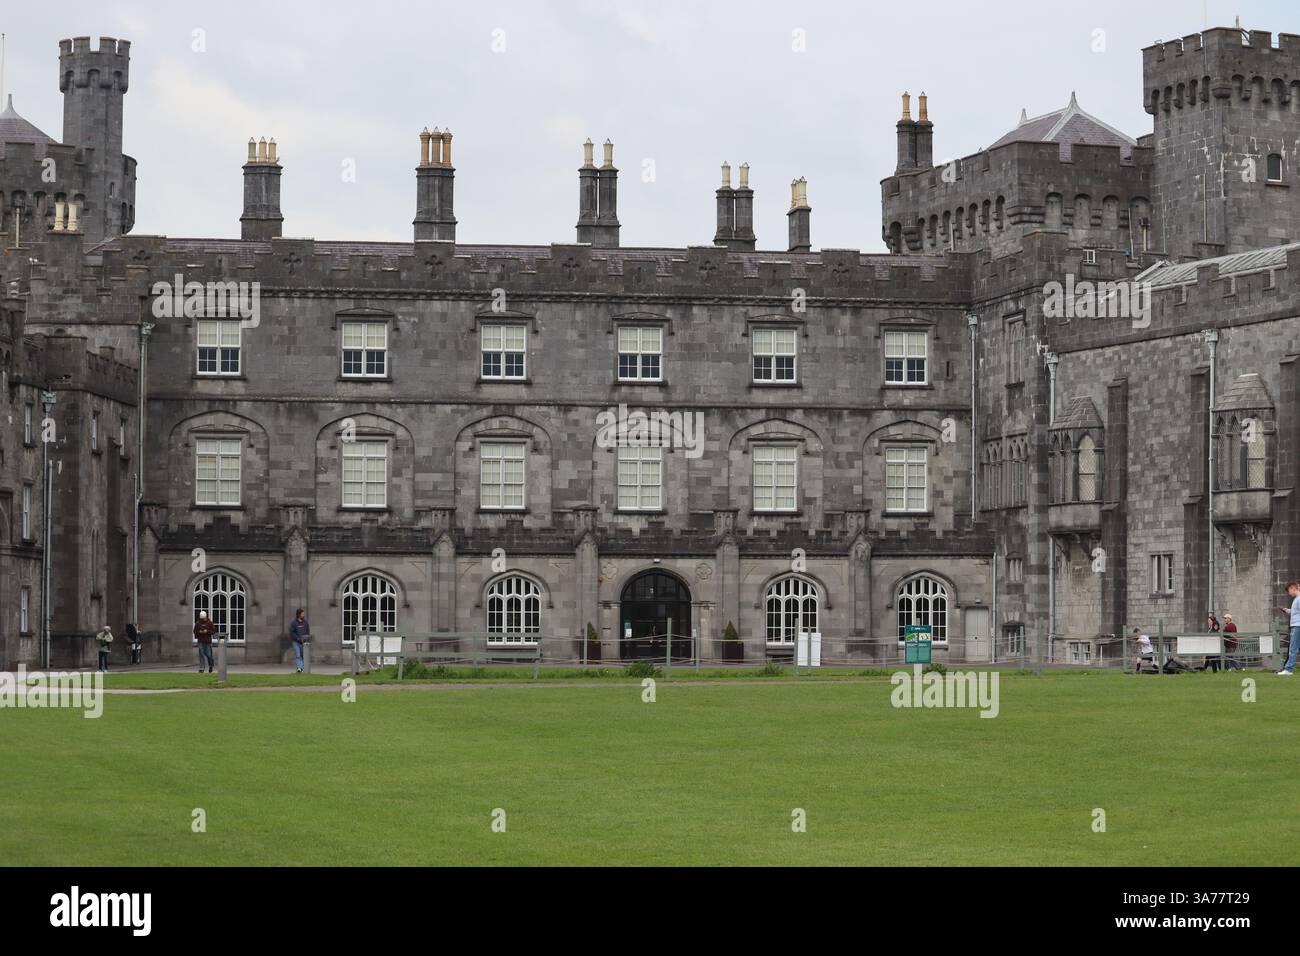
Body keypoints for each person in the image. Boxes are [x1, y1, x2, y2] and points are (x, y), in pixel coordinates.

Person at [1277, 581, 1300, 676]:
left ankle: (1288, 669)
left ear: (1293, 588)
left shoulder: (1298, 599)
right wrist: (1287, 610)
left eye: (1289, 591)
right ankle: (1288, 668)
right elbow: (1295, 612)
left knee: (1293, 648)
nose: (1289, 593)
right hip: (1297, 625)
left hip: (1297, 626)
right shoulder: (1296, 600)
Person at [289, 608, 310, 673]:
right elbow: (292, 633)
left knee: (303, 656)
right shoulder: (293, 623)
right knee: (298, 655)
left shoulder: (306, 622)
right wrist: (297, 638)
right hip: (296, 642)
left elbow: (307, 631)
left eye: (303, 614)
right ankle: (299, 668)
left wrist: (306, 639)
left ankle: (302, 668)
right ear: (298, 614)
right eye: (302, 614)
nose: (303, 615)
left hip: (304, 642)